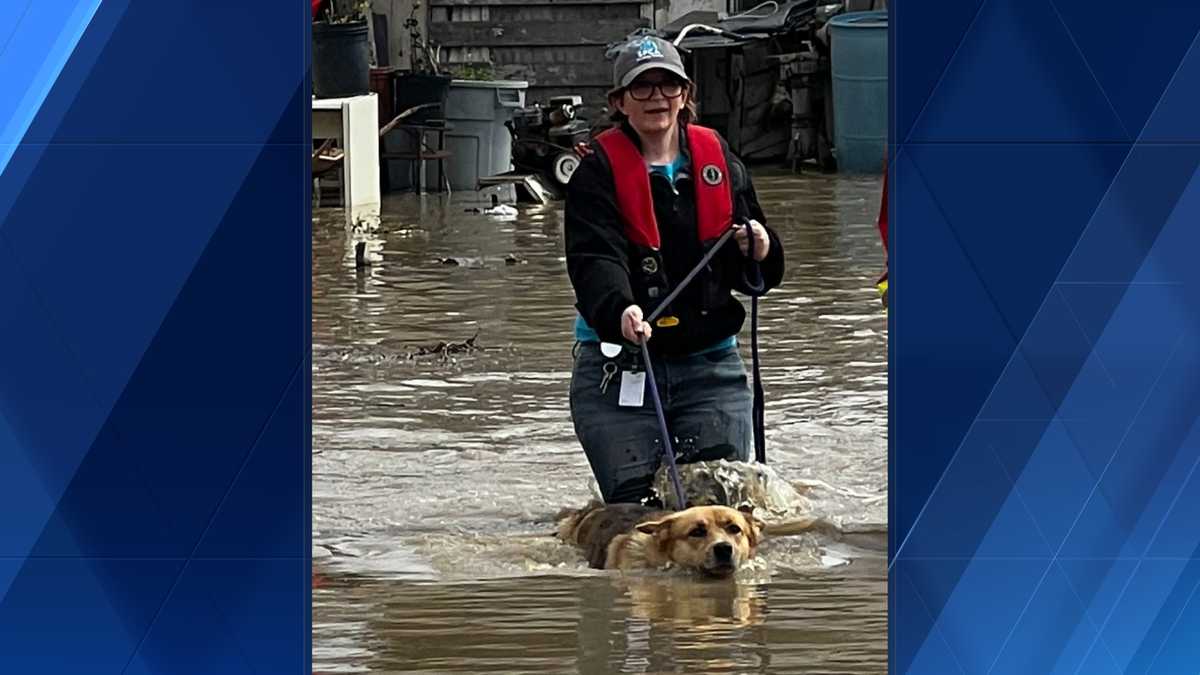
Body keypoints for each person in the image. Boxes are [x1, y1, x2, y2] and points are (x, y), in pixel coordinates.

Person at [564, 36, 786, 505]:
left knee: (720, 510)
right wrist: (619, 309)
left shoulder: (719, 161)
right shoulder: (595, 173)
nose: (657, 98)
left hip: (710, 368)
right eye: (641, 87)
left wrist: (762, 246)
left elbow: (754, 255)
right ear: (620, 102)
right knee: (638, 514)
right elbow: (594, 257)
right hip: (619, 366)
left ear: (685, 95)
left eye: (668, 85)